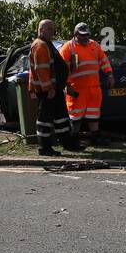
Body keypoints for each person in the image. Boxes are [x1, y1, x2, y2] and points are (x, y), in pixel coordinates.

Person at [59, 22, 113, 145]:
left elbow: (104, 60)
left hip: (94, 89)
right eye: (82, 35)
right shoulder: (68, 47)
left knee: (93, 115)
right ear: (76, 34)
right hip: (76, 89)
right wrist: (67, 85)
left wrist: (109, 74)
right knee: (75, 116)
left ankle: (95, 138)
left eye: (87, 35)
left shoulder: (94, 45)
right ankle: (73, 138)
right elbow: (61, 68)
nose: (85, 37)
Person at [27, 20, 76, 155]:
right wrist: (49, 88)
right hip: (47, 91)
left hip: (55, 89)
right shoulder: (40, 46)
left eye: (53, 29)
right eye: (50, 29)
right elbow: (41, 70)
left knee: (61, 118)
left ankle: (68, 143)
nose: (52, 32)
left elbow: (56, 67)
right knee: (45, 120)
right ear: (41, 30)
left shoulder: (47, 44)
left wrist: (64, 84)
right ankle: (45, 148)